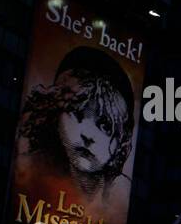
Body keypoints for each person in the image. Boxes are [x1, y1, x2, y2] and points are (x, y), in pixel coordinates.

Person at [15, 46, 137, 213]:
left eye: (105, 126)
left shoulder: (122, 197)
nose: (88, 135)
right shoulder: (28, 172)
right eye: (78, 114)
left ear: (121, 142)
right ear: (56, 111)